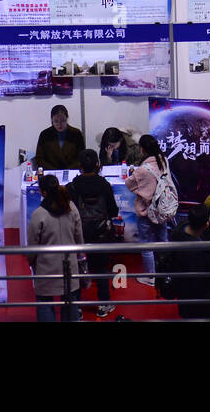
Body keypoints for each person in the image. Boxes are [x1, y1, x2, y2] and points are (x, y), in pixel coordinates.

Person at [69, 149, 119, 318]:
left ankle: (76, 309)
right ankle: (104, 304)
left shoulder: (73, 185)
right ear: (97, 165)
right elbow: (113, 210)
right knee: (101, 268)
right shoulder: (104, 184)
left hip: (78, 233)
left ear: (80, 166)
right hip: (100, 233)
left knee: (75, 269)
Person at [27, 175, 84, 322]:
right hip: (69, 265)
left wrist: (31, 262)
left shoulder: (38, 214)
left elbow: (32, 246)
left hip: (46, 268)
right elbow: (79, 237)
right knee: (70, 302)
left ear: (42, 192)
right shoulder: (71, 207)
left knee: (44, 302)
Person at [125, 134, 174, 286]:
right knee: (162, 240)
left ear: (143, 150)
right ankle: (165, 271)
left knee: (146, 244)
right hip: (163, 208)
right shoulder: (164, 161)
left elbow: (129, 184)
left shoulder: (142, 170)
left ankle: (150, 277)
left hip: (146, 211)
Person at [33, 105, 85, 170]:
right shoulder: (45, 134)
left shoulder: (76, 133)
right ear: (51, 120)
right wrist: (54, 171)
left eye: (63, 121)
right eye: (56, 121)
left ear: (67, 118)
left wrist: (69, 170)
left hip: (72, 171)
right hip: (50, 173)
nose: (59, 124)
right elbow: (39, 158)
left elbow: (82, 156)